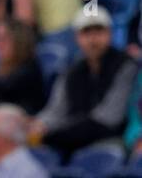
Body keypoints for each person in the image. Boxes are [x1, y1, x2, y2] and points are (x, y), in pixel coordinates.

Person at [31, 9, 137, 161]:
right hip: (72, 137)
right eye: (87, 32)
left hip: (109, 137)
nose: (93, 39)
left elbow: (109, 119)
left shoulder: (125, 66)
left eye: (99, 31)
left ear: (110, 33)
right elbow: (56, 110)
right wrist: (39, 125)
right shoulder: (71, 72)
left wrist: (56, 134)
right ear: (77, 37)